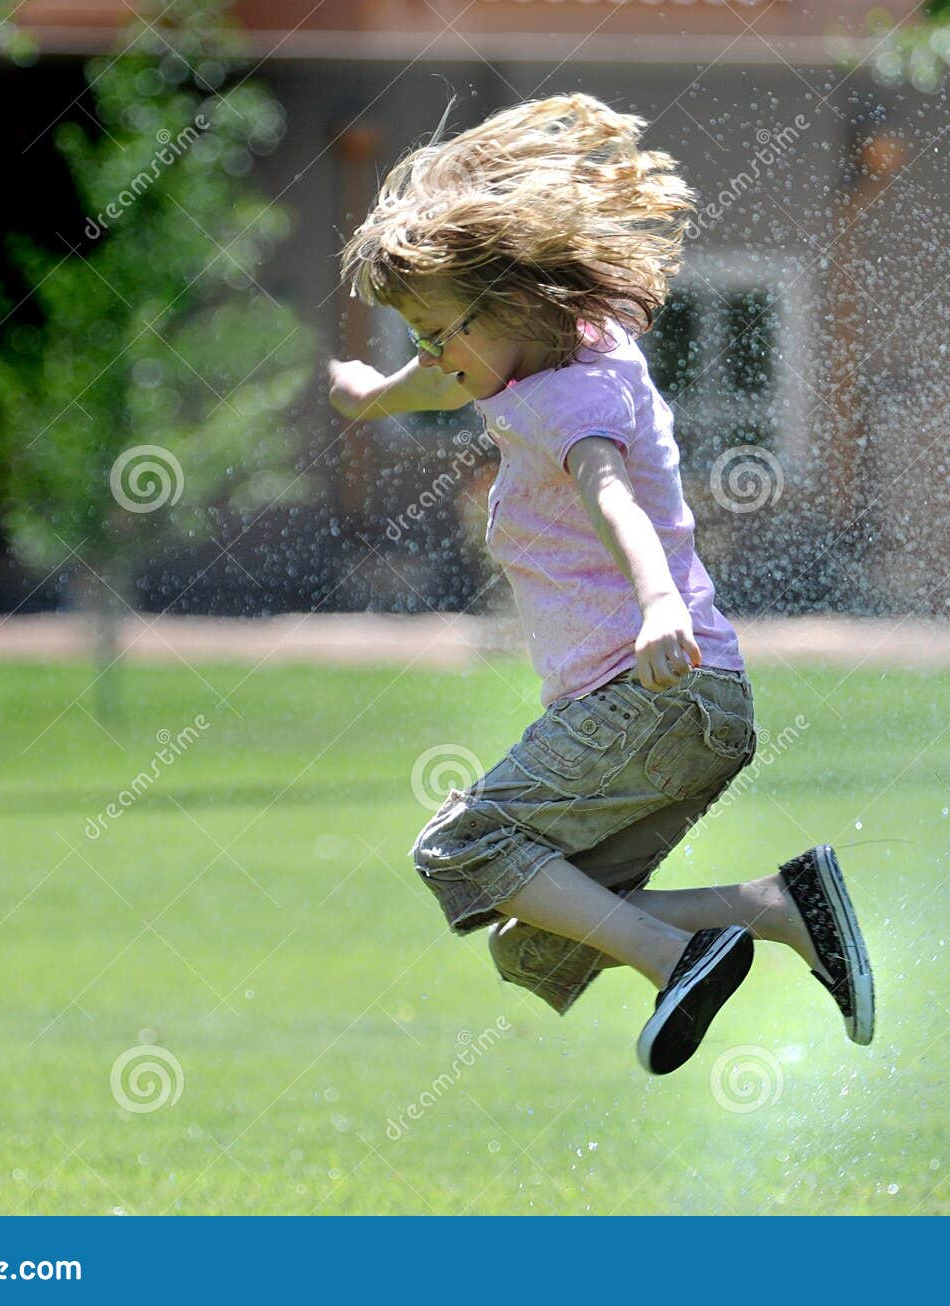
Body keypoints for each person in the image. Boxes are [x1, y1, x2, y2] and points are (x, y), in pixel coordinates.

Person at [329, 92, 872, 1075]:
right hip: (695, 705)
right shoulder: (568, 349)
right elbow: (452, 375)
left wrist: (660, 601)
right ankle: (774, 909)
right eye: (417, 336)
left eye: (438, 331)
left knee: (460, 846)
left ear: (510, 307)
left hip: (651, 692)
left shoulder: (567, 403)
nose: (433, 355)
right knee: (532, 942)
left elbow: (613, 496)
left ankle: (680, 959)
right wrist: (381, 392)